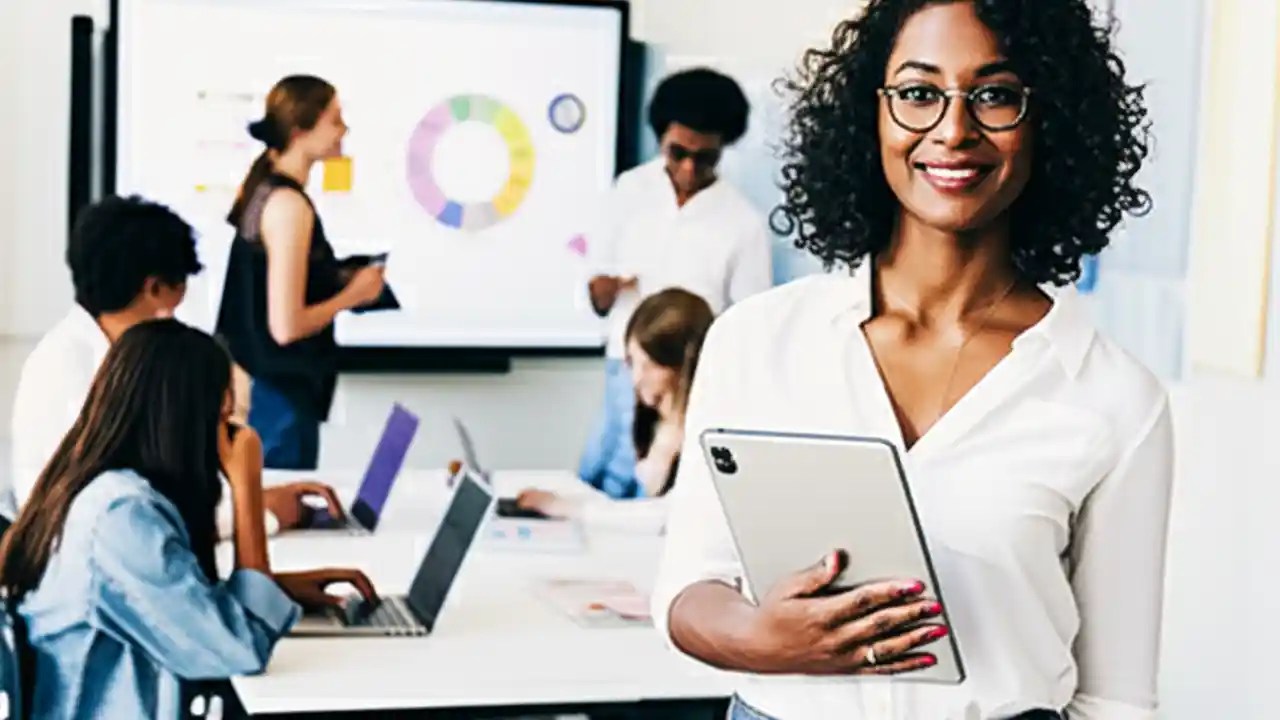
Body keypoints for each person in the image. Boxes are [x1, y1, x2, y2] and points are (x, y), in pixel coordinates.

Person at [652, 2, 1171, 719]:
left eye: (995, 95)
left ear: (1051, 119)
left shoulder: (1112, 396)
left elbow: (1115, 700)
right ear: (870, 114)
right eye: (920, 92)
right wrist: (761, 640)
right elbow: (688, 589)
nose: (953, 130)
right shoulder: (755, 340)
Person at [0, 319, 378, 718]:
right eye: (224, 416)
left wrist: (278, 589)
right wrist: (247, 486)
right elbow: (238, 649)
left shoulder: (101, 490)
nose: (230, 432)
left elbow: (171, 601)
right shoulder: (120, 518)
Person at [9, 195, 343, 535]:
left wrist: (254, 497)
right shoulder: (70, 367)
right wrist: (259, 512)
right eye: (181, 287)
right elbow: (125, 518)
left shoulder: (119, 354)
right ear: (154, 288)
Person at [580, 68, 774, 500]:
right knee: (597, 473)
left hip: (687, 382)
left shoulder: (741, 221)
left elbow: (750, 324)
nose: (688, 168)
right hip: (625, 367)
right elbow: (596, 294)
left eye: (705, 157)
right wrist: (609, 285)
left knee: (647, 490)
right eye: (678, 152)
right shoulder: (629, 191)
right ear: (660, 139)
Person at [218, 74, 386, 470]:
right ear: (300, 130)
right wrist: (354, 294)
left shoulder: (264, 191)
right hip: (277, 397)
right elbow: (286, 326)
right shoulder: (289, 206)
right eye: (335, 120)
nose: (343, 131)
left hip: (261, 390)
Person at [517, 289, 714, 532]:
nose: (636, 378)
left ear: (684, 368)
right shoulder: (652, 423)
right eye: (632, 363)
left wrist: (568, 508)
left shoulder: (707, 436)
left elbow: (667, 517)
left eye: (649, 366)